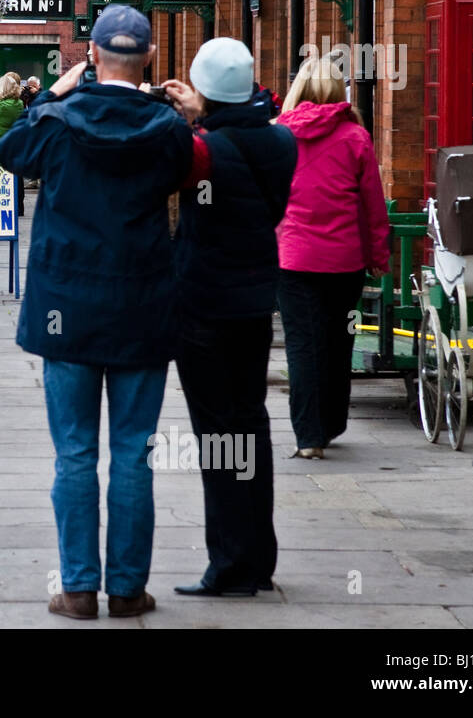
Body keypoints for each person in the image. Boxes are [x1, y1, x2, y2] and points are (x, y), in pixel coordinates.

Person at [0, 5, 194, 620]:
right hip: (140, 305)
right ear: (150, 60)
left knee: (75, 453)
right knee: (134, 452)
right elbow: (186, 170)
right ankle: (128, 590)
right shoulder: (166, 129)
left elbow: (7, 151)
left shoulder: (56, 120)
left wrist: (58, 87)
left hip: (67, 309)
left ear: (94, 57)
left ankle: (79, 589)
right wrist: (183, 111)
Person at [161, 38, 298, 598]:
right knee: (252, 426)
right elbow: (253, 121)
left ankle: (229, 565)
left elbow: (169, 169)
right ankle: (258, 558)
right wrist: (207, 113)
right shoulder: (283, 140)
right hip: (254, 304)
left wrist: (186, 120)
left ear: (205, 93)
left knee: (218, 438)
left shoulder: (204, 151)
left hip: (203, 309)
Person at [274, 55, 390, 459]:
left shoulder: (279, 134)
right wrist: (378, 254)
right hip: (344, 260)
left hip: (293, 259)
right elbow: (372, 204)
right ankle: (331, 422)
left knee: (302, 346)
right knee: (338, 341)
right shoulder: (355, 137)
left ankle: (309, 437)